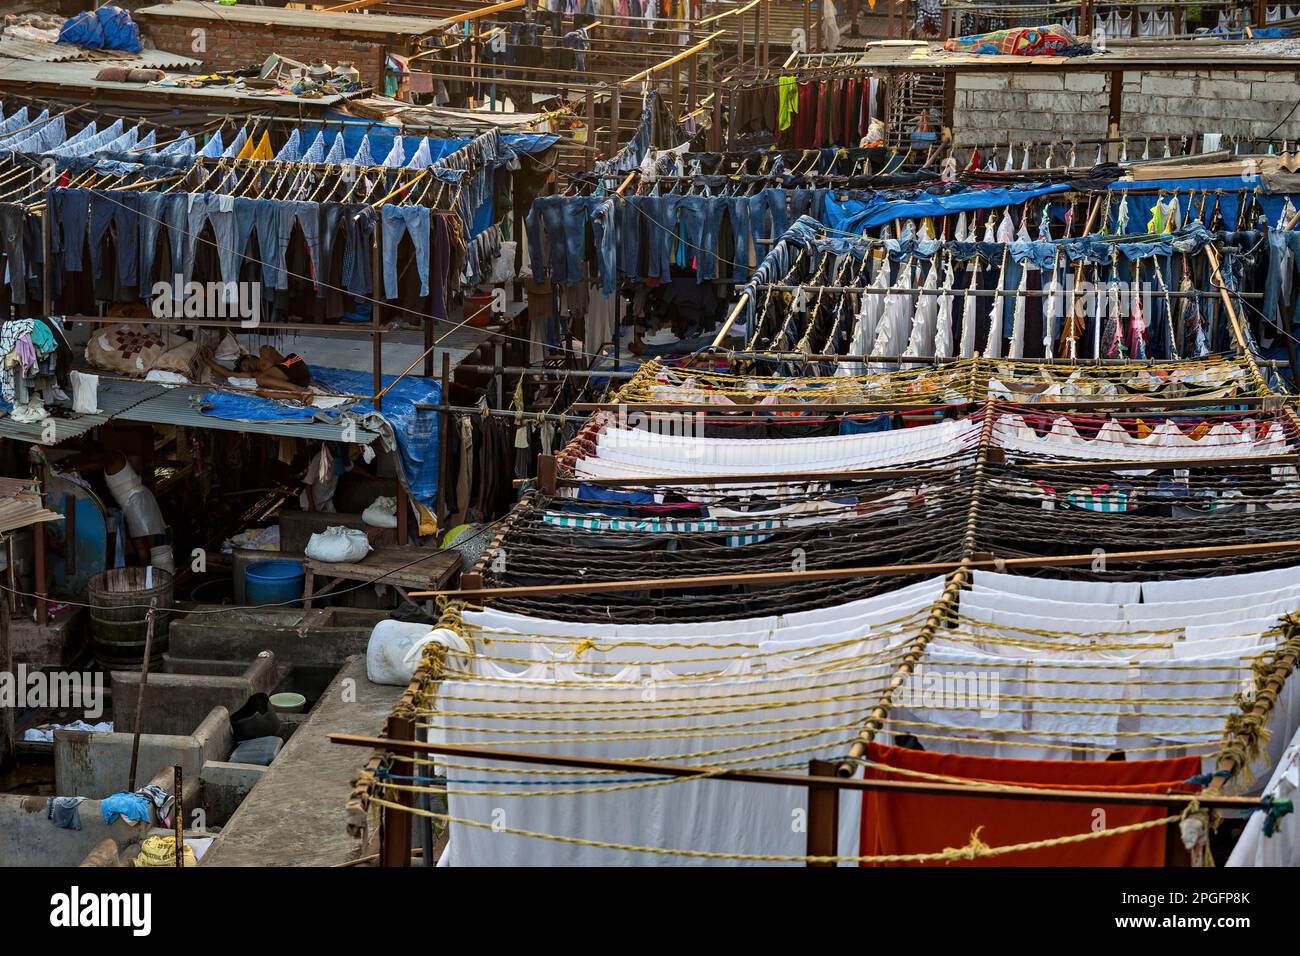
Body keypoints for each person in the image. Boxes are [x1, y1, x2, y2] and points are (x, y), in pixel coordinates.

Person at [201, 344, 312, 397]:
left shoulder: (264, 351)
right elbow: (227, 373)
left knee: (261, 379)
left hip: (293, 363)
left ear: (249, 357)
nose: (245, 369)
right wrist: (207, 360)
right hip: (298, 381)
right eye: (242, 370)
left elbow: (278, 362)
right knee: (260, 391)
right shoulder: (254, 374)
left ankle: (298, 390)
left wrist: (266, 372)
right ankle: (299, 396)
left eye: (244, 365)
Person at [300, 443, 370, 512]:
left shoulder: (340, 457)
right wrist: (311, 506)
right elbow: (308, 483)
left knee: (334, 521)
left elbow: (352, 467)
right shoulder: (319, 458)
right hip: (311, 503)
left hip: (327, 501)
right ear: (333, 446)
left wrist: (370, 476)